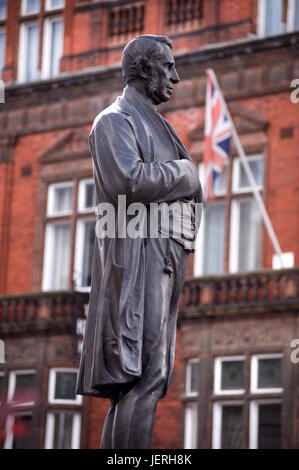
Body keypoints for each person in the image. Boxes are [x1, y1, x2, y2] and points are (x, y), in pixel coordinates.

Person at [76, 34, 202, 449]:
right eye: (168, 67)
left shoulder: (154, 122)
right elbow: (126, 181)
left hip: (164, 256)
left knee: (152, 377)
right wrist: (184, 174)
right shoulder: (115, 120)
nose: (176, 77)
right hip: (138, 258)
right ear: (144, 69)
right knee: (141, 375)